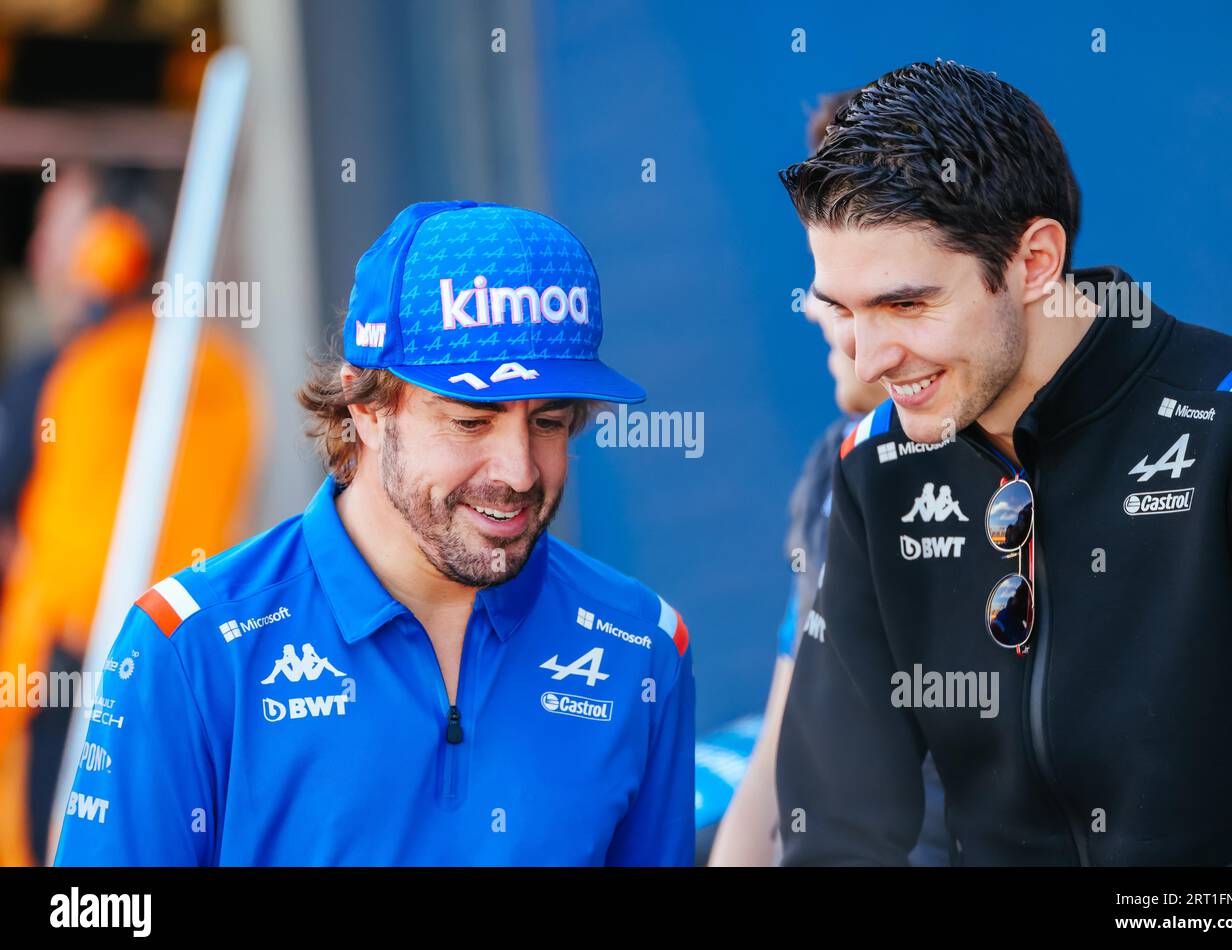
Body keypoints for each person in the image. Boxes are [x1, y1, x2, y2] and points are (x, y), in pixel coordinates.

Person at [54, 200, 695, 866]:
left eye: (551, 422)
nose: (518, 470)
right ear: (365, 408)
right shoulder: (192, 647)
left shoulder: (640, 645)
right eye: (472, 422)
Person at [776, 59, 1232, 865]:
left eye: (906, 303)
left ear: (1034, 261)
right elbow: (835, 832)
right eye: (842, 309)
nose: (871, 354)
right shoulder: (873, 464)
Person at [709, 91, 949, 867]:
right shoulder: (831, 468)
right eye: (826, 283)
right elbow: (782, 753)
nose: (816, 309)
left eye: (866, 288)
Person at [0, 166, 261, 866]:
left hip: (67, 671)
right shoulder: (226, 372)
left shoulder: (67, 377)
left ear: (112, 244)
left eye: (57, 227)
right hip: (196, 656)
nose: (38, 249)